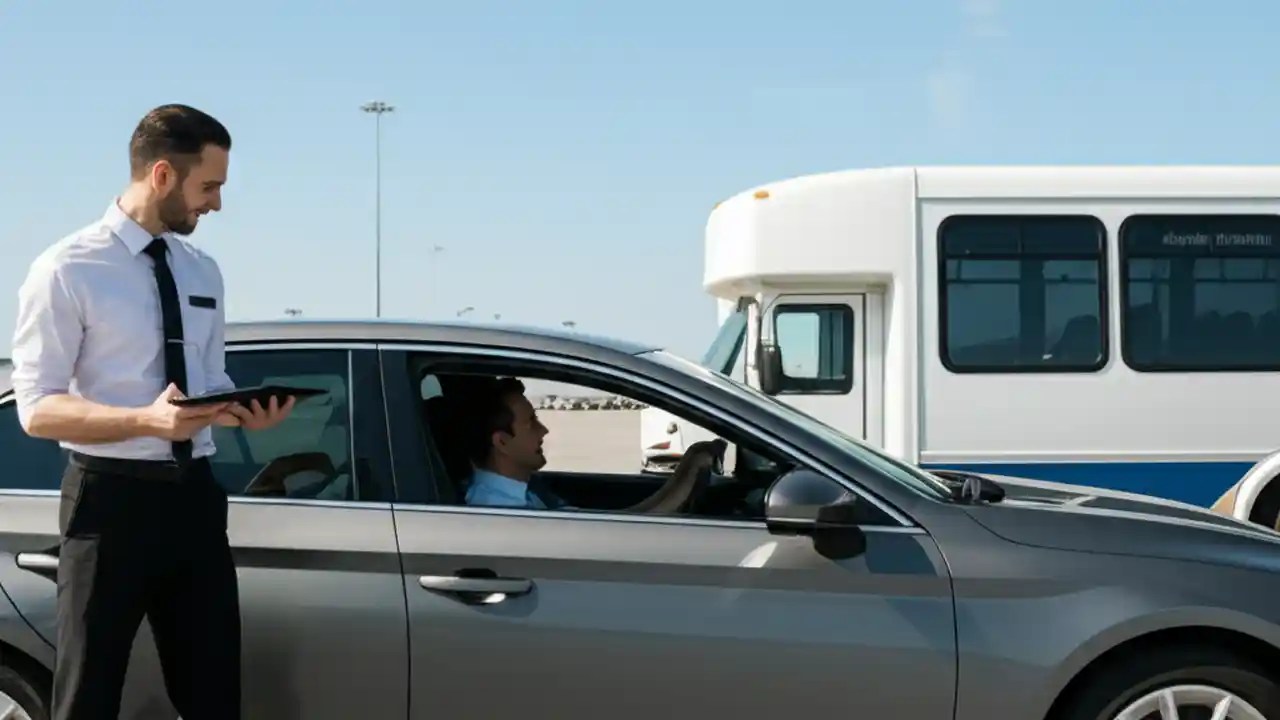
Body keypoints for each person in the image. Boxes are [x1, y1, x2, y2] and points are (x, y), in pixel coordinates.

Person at [9, 104, 295, 720]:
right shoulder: (65, 269)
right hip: (108, 503)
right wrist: (145, 420)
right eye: (209, 186)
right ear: (162, 175)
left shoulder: (203, 271)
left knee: (214, 696)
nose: (216, 203)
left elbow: (208, 383)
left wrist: (239, 413)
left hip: (194, 502)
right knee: (87, 697)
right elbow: (37, 410)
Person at [462, 377, 565, 509]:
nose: (543, 430)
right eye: (531, 423)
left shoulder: (522, 491)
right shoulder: (499, 511)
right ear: (502, 442)